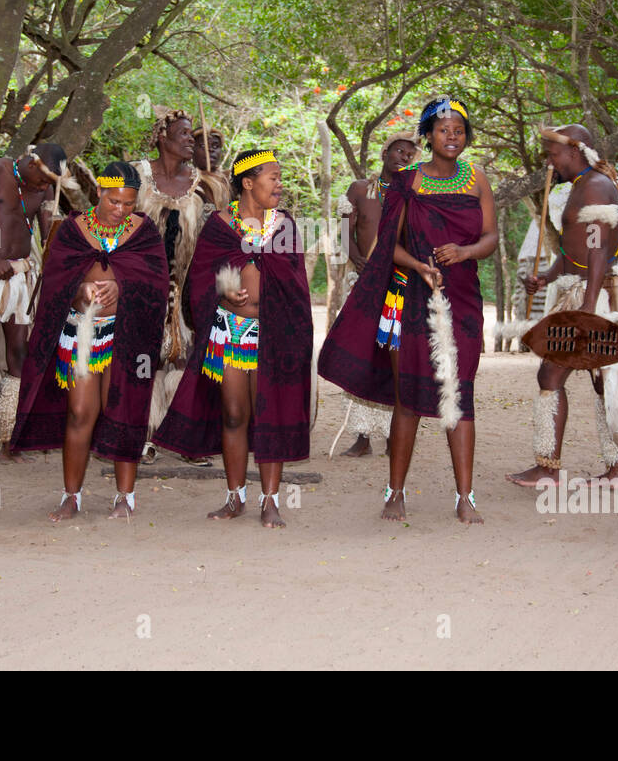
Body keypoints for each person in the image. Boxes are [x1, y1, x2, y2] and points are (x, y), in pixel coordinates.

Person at [318, 97, 498, 524]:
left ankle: (465, 497)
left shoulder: (477, 179)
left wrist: (465, 250)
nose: (451, 137)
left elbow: (490, 238)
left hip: (463, 300)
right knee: (408, 398)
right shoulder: (408, 181)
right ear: (428, 135)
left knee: (460, 394)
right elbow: (388, 246)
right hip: (410, 297)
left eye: (459, 131)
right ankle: (394, 492)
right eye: (442, 130)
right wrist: (418, 264)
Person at [152, 149, 314, 528]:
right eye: (271, 177)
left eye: (279, 177)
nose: (279, 184)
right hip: (230, 332)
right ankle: (235, 497)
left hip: (274, 334)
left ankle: (270, 500)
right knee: (234, 414)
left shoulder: (284, 225)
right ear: (247, 182)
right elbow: (200, 280)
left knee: (270, 412)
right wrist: (223, 294)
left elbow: (295, 284)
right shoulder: (220, 226)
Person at [9, 161, 169, 520]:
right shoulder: (71, 230)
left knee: (123, 409)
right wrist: (79, 290)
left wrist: (120, 286)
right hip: (81, 331)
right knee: (80, 413)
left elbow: (156, 285)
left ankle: (125, 497)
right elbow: (54, 282)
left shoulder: (143, 232)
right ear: (99, 192)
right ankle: (71, 496)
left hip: (127, 335)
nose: (121, 210)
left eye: (129, 203)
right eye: (114, 201)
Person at [506, 125, 618, 489]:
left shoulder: (595, 186)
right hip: (589, 291)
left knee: (551, 376)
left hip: (595, 296)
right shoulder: (583, 186)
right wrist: (546, 278)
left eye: (553, 154)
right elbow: (572, 252)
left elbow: (598, 248)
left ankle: (549, 467)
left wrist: (588, 307)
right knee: (603, 382)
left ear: (576, 152)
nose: (550, 161)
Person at [0, 143, 68, 467]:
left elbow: (50, 234)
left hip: (21, 276)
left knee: (21, 356)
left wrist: (58, 254)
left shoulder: (46, 188)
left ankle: (11, 440)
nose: (44, 187)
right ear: (32, 163)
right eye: (43, 179)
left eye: (51, 182)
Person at [134, 108, 229, 466]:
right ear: (162, 136)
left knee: (185, 357)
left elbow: (221, 235)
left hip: (188, 288)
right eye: (185, 133)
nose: (192, 139)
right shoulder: (139, 175)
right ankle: (141, 436)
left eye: (193, 134)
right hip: (141, 286)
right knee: (145, 360)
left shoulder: (204, 183)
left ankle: (186, 437)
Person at [335, 131, 420, 458]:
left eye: (410, 154)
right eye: (399, 151)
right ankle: (362, 437)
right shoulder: (359, 190)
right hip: (364, 282)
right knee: (363, 353)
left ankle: (391, 436)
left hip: (400, 283)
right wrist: (357, 259)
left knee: (395, 355)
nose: (404, 157)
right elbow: (344, 231)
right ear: (385, 153)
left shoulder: (414, 193)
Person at [193, 122, 230, 208]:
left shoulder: (230, 180)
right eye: (203, 146)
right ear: (191, 150)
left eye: (215, 146)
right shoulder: (187, 182)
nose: (210, 149)